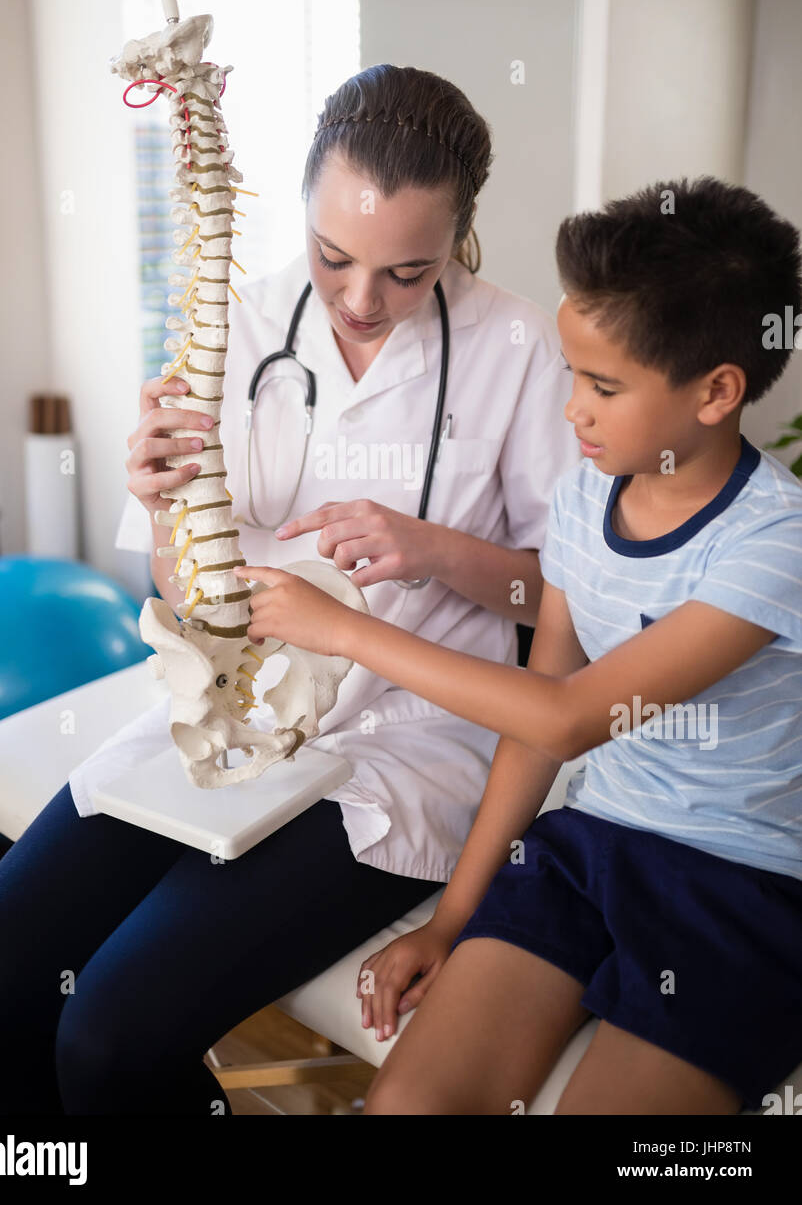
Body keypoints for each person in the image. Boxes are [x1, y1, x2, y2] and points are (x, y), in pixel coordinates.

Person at [0, 64, 578, 1115]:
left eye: (406, 272)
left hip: (410, 742)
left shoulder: (519, 353)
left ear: (460, 232)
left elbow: (565, 607)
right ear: (300, 210)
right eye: (334, 258)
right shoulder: (235, 322)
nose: (362, 300)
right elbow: (186, 599)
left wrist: (432, 551)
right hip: (227, 717)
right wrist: (158, 508)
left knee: (109, 1034)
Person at [239, 176, 802, 1115]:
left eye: (603, 385)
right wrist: (451, 923)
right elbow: (539, 727)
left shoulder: (774, 544)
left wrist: (344, 630)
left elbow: (575, 716)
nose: (571, 408)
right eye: (573, 373)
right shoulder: (591, 494)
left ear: (717, 392)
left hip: (739, 889)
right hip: (591, 848)